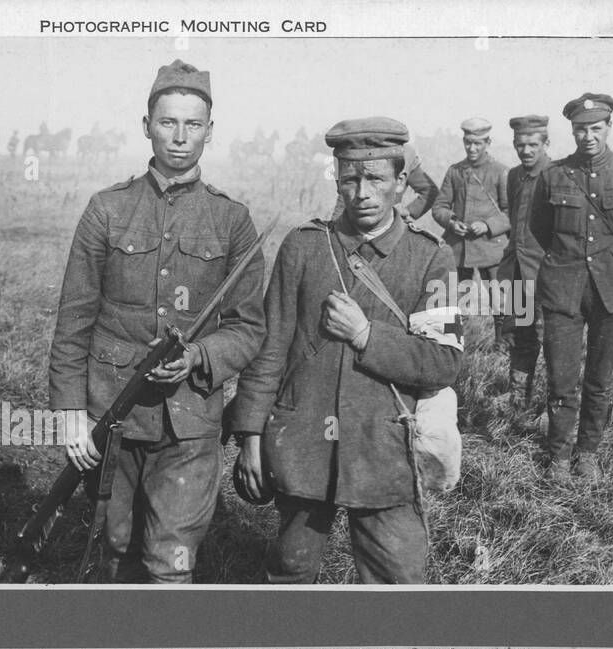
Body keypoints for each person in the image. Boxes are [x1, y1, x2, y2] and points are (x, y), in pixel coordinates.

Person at [48, 59, 267, 583]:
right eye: (168, 122)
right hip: (112, 412)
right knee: (117, 546)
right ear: (145, 124)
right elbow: (74, 318)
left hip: (189, 421)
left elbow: (249, 328)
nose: (179, 137)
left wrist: (199, 356)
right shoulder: (106, 210)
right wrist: (69, 410)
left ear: (210, 132)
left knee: (171, 559)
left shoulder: (232, 220)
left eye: (193, 125)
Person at [229, 117, 462, 584]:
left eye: (376, 178)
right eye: (350, 178)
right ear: (337, 178)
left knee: (397, 584)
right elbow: (270, 348)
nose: (362, 192)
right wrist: (249, 436)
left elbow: (443, 362)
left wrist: (366, 336)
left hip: (385, 453)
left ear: (400, 182)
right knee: (290, 573)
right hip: (301, 445)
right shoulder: (303, 247)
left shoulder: (432, 257)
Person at [530, 92, 613, 482]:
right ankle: (558, 456)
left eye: (596, 129)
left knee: (600, 377)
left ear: (608, 128)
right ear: (572, 130)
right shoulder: (553, 175)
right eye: (580, 129)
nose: (588, 136)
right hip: (562, 289)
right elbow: (540, 227)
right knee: (561, 377)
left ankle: (588, 453)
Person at [432, 118, 511, 344]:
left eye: (478, 143)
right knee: (453, 299)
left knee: (501, 300)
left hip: (492, 249)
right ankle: (454, 344)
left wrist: (488, 226)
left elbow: (511, 212)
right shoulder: (455, 171)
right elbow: (439, 206)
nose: (472, 148)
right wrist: (451, 221)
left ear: (488, 142)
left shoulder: (501, 172)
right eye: (468, 143)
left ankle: (503, 345)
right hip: (459, 249)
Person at [498, 115, 552, 410]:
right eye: (521, 145)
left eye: (533, 144)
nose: (526, 150)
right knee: (521, 338)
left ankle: (557, 412)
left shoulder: (556, 174)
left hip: (547, 274)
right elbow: (513, 220)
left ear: (546, 143)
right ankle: (520, 407)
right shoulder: (514, 176)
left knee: (555, 344)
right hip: (518, 274)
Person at [331, 140, 438, 222]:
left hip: (390, 226)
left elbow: (429, 190)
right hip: (354, 225)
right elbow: (343, 196)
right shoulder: (352, 151)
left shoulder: (405, 152)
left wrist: (408, 211)